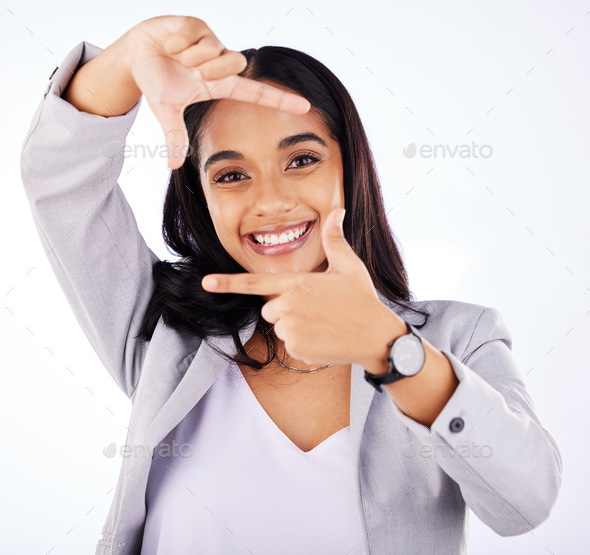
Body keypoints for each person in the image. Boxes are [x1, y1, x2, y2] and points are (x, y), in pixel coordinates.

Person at [20, 15, 562, 555]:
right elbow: (62, 175)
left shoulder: (459, 337)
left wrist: (389, 348)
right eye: (231, 175)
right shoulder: (165, 339)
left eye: (301, 159)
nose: (270, 201)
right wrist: (125, 58)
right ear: (203, 198)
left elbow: (525, 501)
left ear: (350, 171)